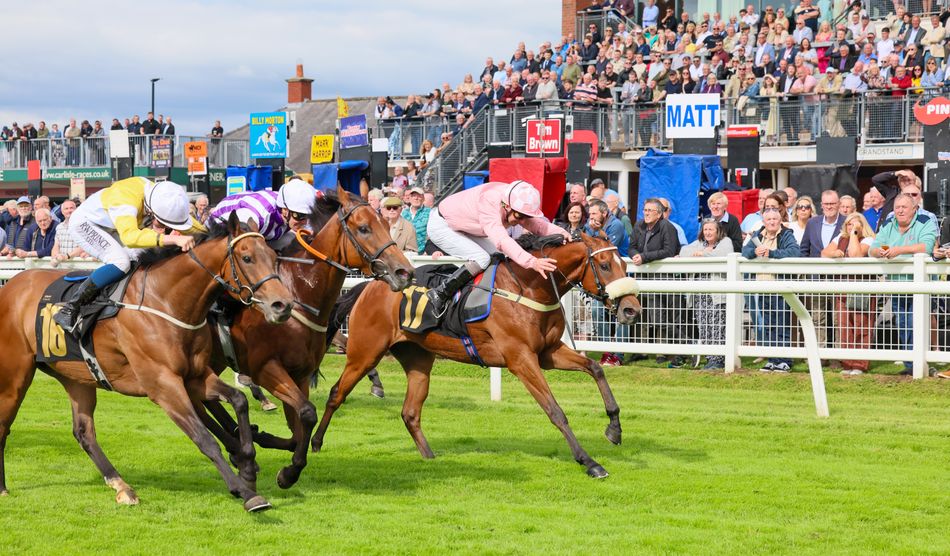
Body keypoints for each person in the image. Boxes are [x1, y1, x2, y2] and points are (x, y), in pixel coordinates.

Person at [53, 178, 202, 334]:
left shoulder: (162, 196)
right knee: (120, 262)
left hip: (113, 225)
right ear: (152, 211)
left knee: (141, 256)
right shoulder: (126, 199)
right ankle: (69, 309)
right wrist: (174, 239)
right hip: (86, 224)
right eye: (164, 223)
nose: (165, 227)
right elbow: (130, 238)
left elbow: (192, 226)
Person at [425, 181, 571, 317]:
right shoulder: (489, 202)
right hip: (442, 225)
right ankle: (440, 293)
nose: (521, 222)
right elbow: (502, 240)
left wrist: (564, 234)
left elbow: (537, 225)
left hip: (465, 225)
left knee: (500, 256)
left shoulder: (512, 202)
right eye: (519, 216)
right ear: (506, 206)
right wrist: (532, 262)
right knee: (482, 258)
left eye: (525, 217)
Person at [870, 194, 938, 375]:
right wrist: (884, 251)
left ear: (914, 209)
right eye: (897, 207)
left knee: (917, 323)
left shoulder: (925, 222)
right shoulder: (887, 225)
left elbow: (927, 247)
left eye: (904, 207)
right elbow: (873, 248)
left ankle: (918, 365)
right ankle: (910, 365)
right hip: (898, 285)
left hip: (920, 285)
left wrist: (899, 250)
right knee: (903, 324)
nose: (899, 210)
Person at [742, 208, 800, 372]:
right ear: (764, 221)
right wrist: (755, 251)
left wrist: (772, 253)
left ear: (780, 219)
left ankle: (784, 360)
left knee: (781, 324)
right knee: (767, 325)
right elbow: (744, 252)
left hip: (780, 287)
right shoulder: (757, 235)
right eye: (769, 220)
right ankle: (772, 359)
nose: (772, 222)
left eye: (775, 219)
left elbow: (795, 252)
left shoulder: (786, 234)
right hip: (762, 286)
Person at [821, 213, 875, 375]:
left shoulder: (868, 240)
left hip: (862, 287)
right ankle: (847, 363)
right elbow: (824, 253)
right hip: (842, 286)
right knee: (845, 325)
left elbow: (855, 254)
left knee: (862, 325)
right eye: (849, 225)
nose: (851, 227)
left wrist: (854, 235)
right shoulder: (840, 238)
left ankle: (859, 364)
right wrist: (834, 253)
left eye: (855, 225)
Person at [680, 219, 734, 369]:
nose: (708, 232)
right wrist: (704, 252)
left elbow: (723, 255)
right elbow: (684, 252)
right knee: (704, 325)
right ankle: (710, 356)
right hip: (699, 293)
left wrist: (701, 255)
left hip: (717, 293)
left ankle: (718, 358)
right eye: (706, 230)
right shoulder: (700, 244)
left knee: (717, 325)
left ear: (718, 231)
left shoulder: (726, 241)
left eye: (711, 229)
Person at [210, 178, 316, 251]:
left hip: (263, 233)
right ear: (285, 210)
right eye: (300, 215)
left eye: (308, 216)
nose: (305, 222)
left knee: (297, 240)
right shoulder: (259, 215)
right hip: (219, 229)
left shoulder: (291, 208)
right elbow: (244, 245)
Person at [585, 199, 629, 366]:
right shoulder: (590, 227)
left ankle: (618, 354)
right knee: (597, 310)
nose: (591, 217)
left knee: (622, 311)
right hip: (605, 277)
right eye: (590, 214)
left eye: (594, 213)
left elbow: (606, 250)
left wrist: (598, 231)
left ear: (604, 213)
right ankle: (607, 351)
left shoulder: (616, 225)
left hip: (619, 274)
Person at [401, 187, 430, 255]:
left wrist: (428, 250)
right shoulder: (403, 213)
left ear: (423, 199)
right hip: (407, 252)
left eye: (419, 196)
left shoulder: (429, 212)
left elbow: (432, 234)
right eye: (413, 196)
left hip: (423, 253)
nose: (416, 198)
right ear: (410, 198)